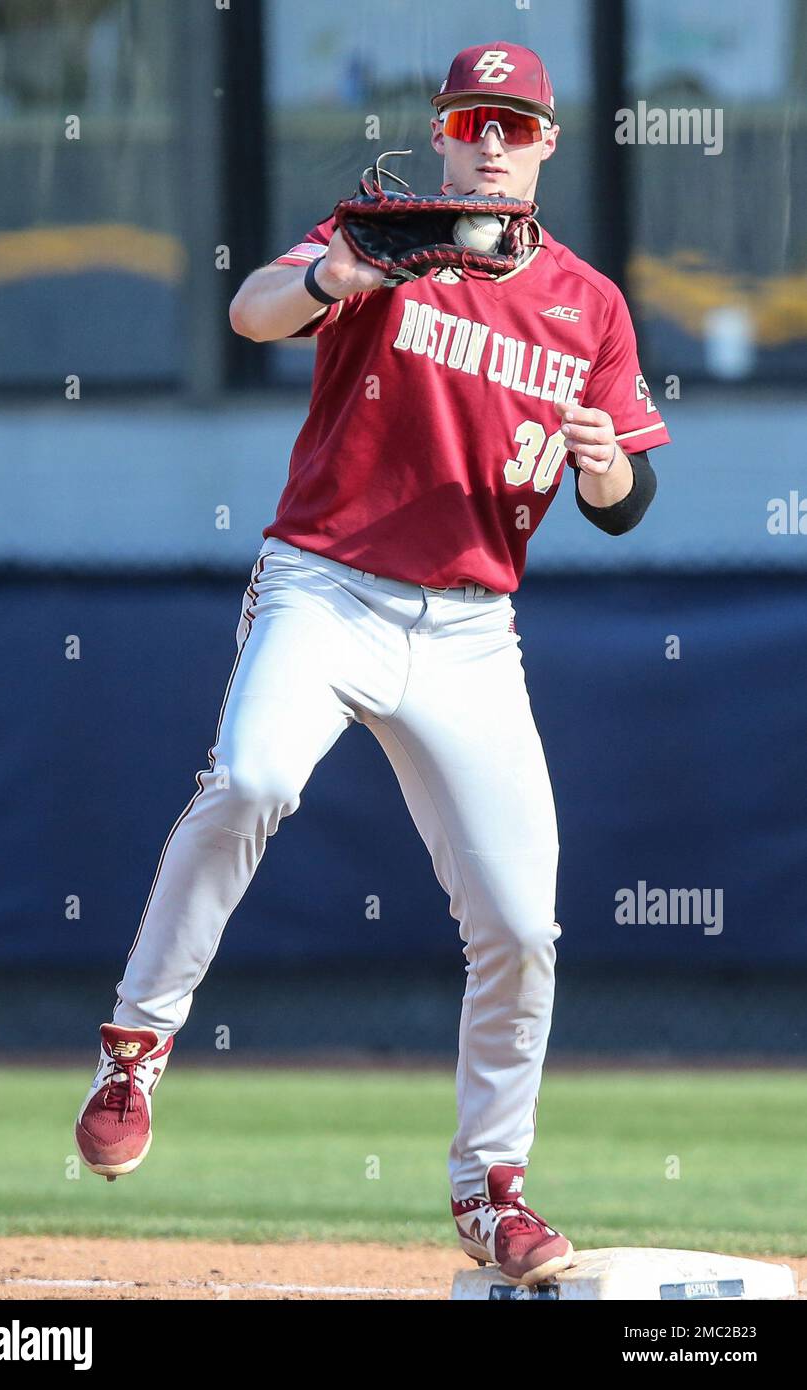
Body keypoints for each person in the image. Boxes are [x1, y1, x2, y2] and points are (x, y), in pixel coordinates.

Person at [74, 41, 669, 1286]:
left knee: (519, 922)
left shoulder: (589, 305)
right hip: (327, 584)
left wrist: (603, 458)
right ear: (443, 133)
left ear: (546, 142)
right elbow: (251, 311)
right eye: (472, 120)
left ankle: (489, 1192)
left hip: (469, 629)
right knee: (249, 780)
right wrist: (337, 268)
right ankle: (137, 1045)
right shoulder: (385, 239)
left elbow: (622, 500)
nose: (492, 141)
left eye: (514, 122)